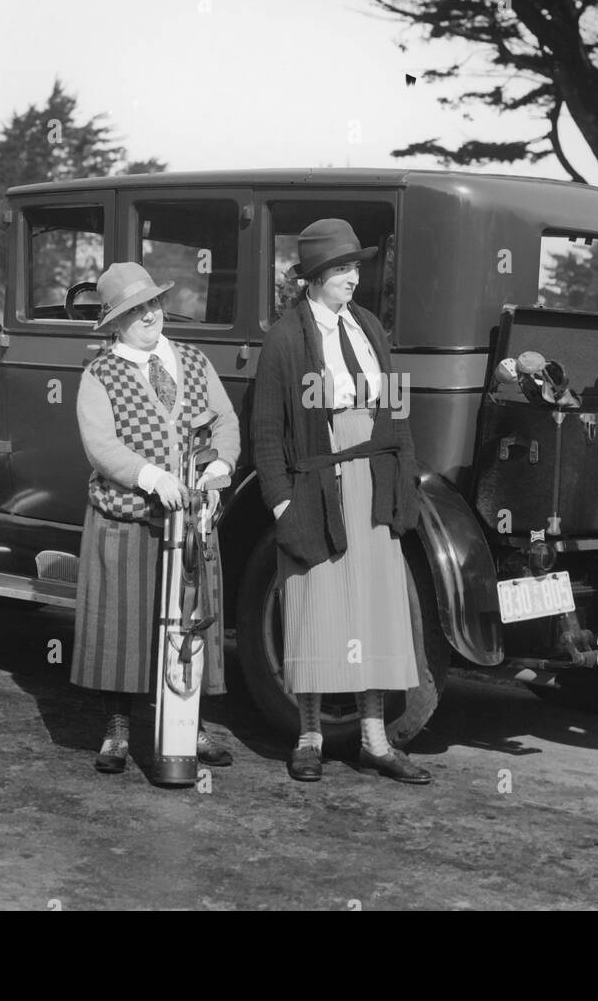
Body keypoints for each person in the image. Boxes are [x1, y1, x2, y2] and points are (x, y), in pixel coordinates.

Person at [251, 218, 428, 784]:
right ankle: (309, 736)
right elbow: (267, 429)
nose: (354, 278)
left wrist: (406, 482)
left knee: (373, 611)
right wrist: (282, 504)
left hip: (373, 484)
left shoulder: (370, 327)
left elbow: (394, 408)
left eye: (356, 267)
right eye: (343, 269)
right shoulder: (286, 338)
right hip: (316, 490)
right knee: (317, 608)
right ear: (317, 277)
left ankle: (376, 740)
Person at [72, 262, 240, 775]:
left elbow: (226, 421)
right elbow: (101, 446)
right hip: (125, 518)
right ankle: (117, 729)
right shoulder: (100, 373)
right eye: (134, 310)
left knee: (191, 622)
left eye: (152, 304)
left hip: (191, 523)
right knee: (120, 624)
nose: (149, 315)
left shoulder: (192, 360)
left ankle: (189, 724)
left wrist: (218, 468)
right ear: (115, 323)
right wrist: (149, 476)